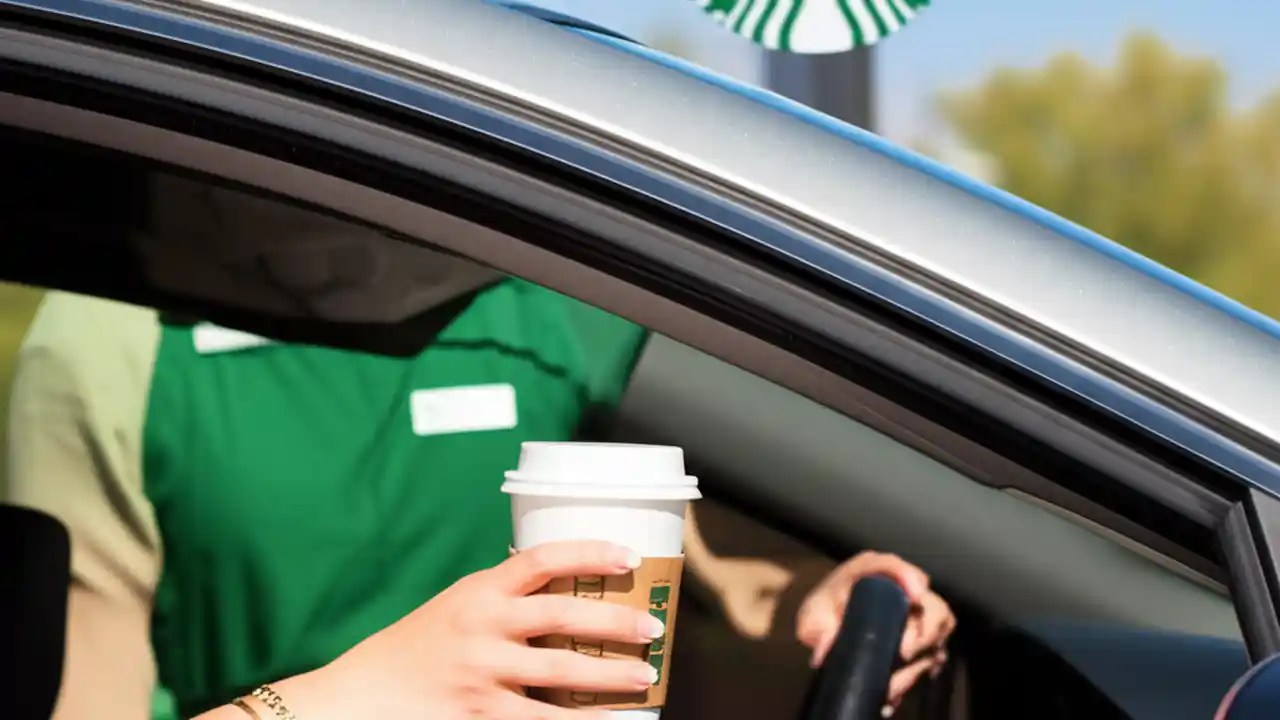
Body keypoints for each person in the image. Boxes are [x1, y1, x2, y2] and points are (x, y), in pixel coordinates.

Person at [5, 171, 953, 720]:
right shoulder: (113, 342)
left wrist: (831, 607)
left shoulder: (567, 299)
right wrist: (376, 696)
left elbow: (702, 583)